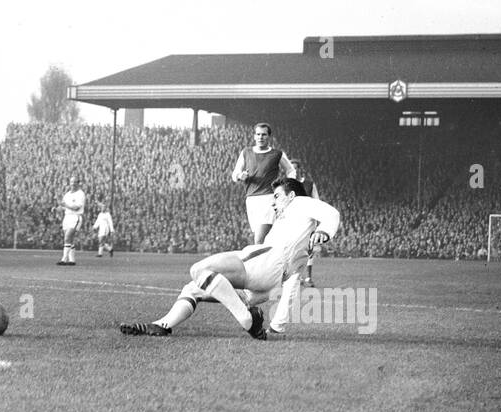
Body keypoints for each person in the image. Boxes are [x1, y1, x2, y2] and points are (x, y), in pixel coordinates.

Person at [120, 177, 338, 338]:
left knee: (199, 270)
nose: (273, 203)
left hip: (266, 263)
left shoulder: (300, 203)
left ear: (291, 195)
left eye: (277, 196)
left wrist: (325, 231)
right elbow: (290, 280)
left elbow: (331, 213)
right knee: (193, 288)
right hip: (267, 279)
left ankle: (247, 320)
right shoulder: (295, 227)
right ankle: (162, 324)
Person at [230, 123, 296, 244]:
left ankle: (257, 263)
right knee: (263, 238)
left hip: (269, 198)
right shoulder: (246, 152)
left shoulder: (277, 154)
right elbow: (235, 174)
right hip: (251, 199)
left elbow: (291, 170)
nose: (261, 137)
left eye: (264, 134)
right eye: (258, 134)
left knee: (259, 240)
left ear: (269, 137)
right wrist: (240, 176)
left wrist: (287, 185)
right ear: (254, 136)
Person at [292, 158, 319, 287]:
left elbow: (317, 201)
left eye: (295, 168)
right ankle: (297, 277)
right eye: (291, 168)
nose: (293, 171)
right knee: (294, 249)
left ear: (299, 169)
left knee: (309, 248)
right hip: (293, 221)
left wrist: (317, 219)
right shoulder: (287, 185)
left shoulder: (309, 184)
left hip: (308, 221)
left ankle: (308, 278)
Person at [58, 176, 86, 266]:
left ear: (78, 183)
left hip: (75, 217)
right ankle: (72, 260)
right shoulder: (67, 194)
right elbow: (64, 207)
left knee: (67, 237)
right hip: (67, 217)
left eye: (75, 182)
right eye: (71, 182)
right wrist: (57, 208)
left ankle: (64, 259)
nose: (73, 184)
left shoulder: (80, 194)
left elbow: (76, 207)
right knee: (70, 239)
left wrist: (65, 205)